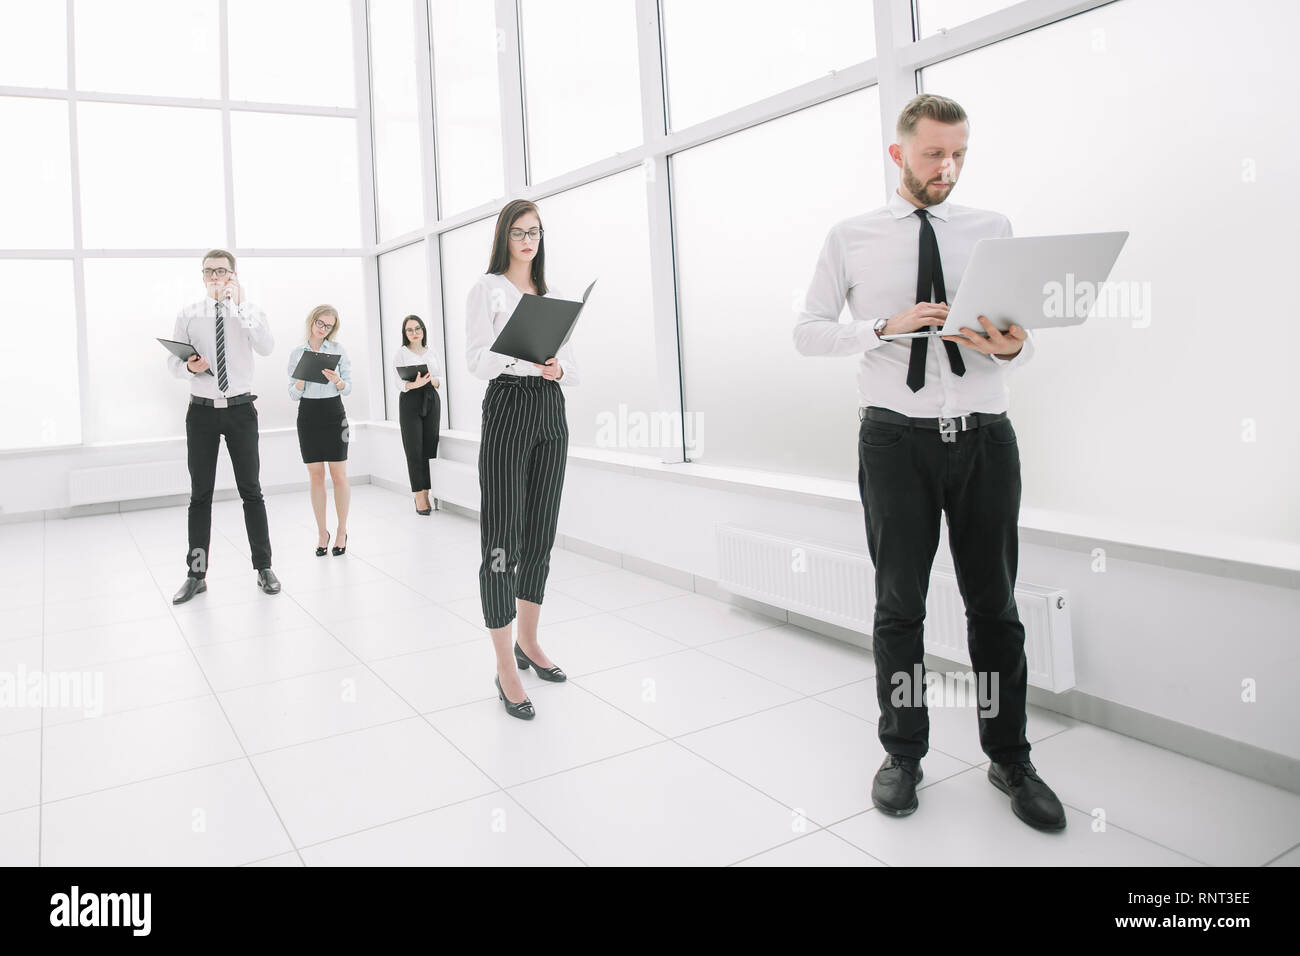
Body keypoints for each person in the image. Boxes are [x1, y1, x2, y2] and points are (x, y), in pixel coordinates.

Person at [793, 94, 1066, 832]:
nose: (947, 168)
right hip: (895, 442)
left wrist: (1009, 347)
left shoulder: (993, 230)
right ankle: (904, 754)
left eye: (959, 155)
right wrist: (883, 326)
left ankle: (1010, 756)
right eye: (933, 155)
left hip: (985, 438)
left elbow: (1023, 338)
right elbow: (807, 333)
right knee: (899, 609)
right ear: (898, 155)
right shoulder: (851, 237)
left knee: (995, 610)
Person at [466, 199, 581, 720]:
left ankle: (529, 643)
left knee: (540, 530)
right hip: (509, 406)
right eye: (518, 232)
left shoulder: (551, 296)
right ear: (503, 238)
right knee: (501, 539)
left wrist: (556, 368)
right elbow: (476, 361)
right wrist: (525, 356)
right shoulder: (486, 289)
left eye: (534, 231)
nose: (528, 240)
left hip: (550, 412)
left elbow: (573, 367)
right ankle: (503, 663)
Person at [167, 249, 281, 603]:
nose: (214, 276)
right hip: (200, 412)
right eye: (208, 271)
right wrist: (190, 368)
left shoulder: (249, 312)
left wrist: (240, 305)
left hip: (240, 410)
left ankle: (264, 567)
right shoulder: (188, 314)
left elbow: (266, 347)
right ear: (202, 276)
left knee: (252, 490)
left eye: (221, 271)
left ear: (233, 274)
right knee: (200, 495)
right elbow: (172, 362)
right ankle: (196, 574)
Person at [288, 305, 353, 556]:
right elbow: (292, 393)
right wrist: (301, 382)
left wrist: (337, 380)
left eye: (328, 326)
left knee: (339, 475)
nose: (323, 329)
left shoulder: (338, 351)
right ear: (312, 321)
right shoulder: (297, 353)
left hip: (334, 414)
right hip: (308, 415)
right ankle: (322, 532)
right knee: (316, 476)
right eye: (320, 323)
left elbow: (348, 388)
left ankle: (341, 530)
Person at [393, 314, 443, 515]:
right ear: (405, 334)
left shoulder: (432, 352)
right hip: (410, 400)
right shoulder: (401, 353)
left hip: (431, 398)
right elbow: (398, 381)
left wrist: (431, 381)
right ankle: (418, 496)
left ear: (423, 331)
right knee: (413, 449)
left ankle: (427, 491)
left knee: (430, 447)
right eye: (410, 330)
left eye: (418, 328)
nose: (414, 333)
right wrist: (415, 384)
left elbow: (440, 378)